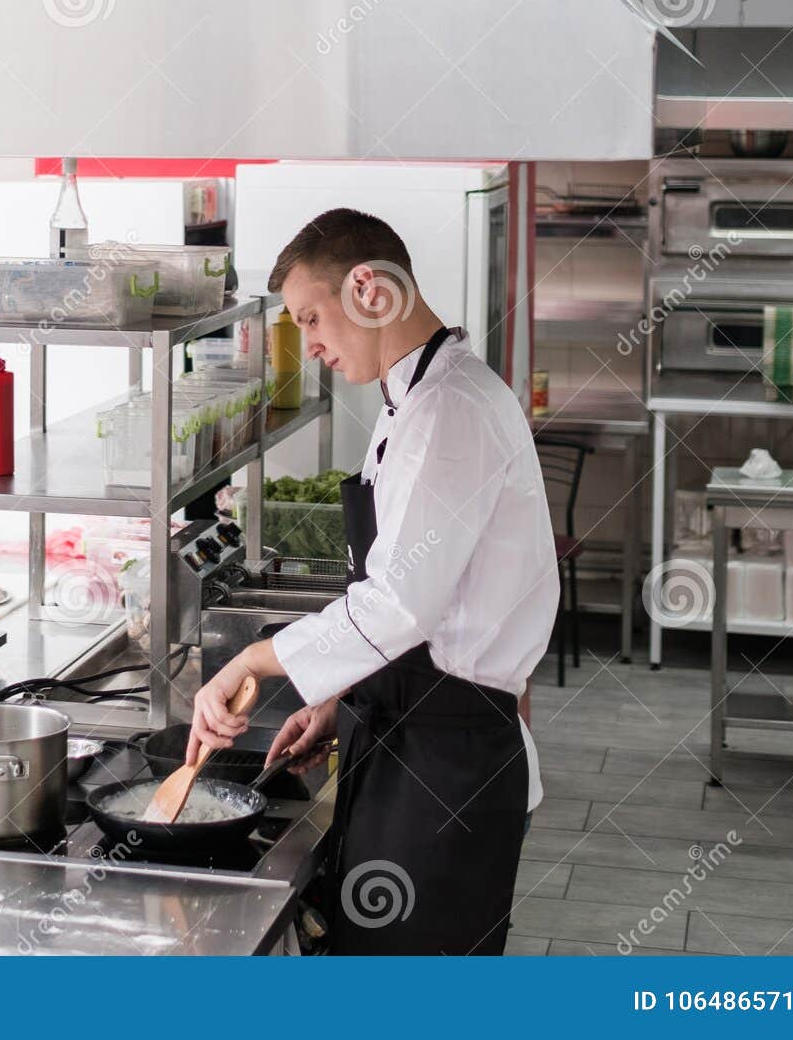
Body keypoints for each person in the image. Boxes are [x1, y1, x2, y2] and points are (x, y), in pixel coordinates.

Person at [186, 208, 558, 955]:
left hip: (451, 765)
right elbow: (423, 598)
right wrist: (337, 698)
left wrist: (252, 659)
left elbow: (400, 602)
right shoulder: (411, 402)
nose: (309, 342)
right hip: (415, 737)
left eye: (311, 317)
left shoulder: (451, 410)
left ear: (367, 289)